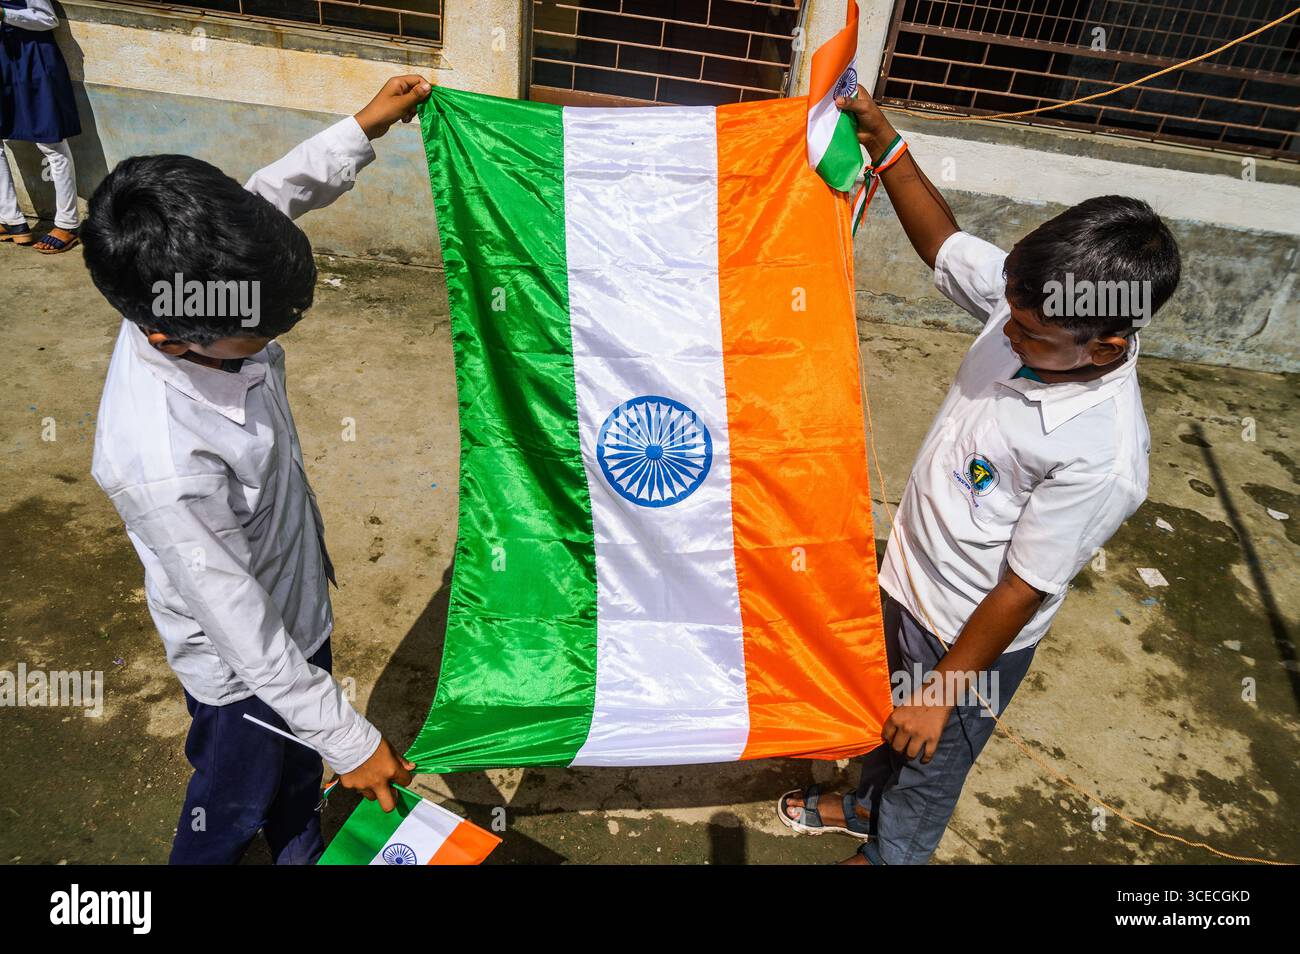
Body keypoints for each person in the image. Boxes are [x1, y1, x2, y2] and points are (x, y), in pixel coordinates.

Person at [778, 90, 1181, 864]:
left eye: (1030, 333)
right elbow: (944, 245)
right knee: (880, 719)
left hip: (966, 638)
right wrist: (884, 140)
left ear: (1105, 346)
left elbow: (1024, 587)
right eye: (1013, 315)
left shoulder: (1103, 454)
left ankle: (888, 850)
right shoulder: (1043, 304)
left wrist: (941, 692)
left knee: (927, 761)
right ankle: (862, 806)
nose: (1010, 330)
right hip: (903, 580)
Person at [83, 75, 433, 864]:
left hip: (295, 603)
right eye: (255, 335)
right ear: (171, 337)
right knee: (231, 796)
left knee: (296, 772)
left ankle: (298, 844)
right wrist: (352, 737)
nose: (273, 340)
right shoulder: (160, 458)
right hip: (239, 670)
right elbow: (240, 624)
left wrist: (364, 126)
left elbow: (267, 194)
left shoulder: (185, 275)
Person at [0, 0, 82, 252]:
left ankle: (67, 224)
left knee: (51, 143)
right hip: (3, 59)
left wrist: (4, 14)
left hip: (32, 58)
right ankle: (12, 220)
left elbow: (48, 19)